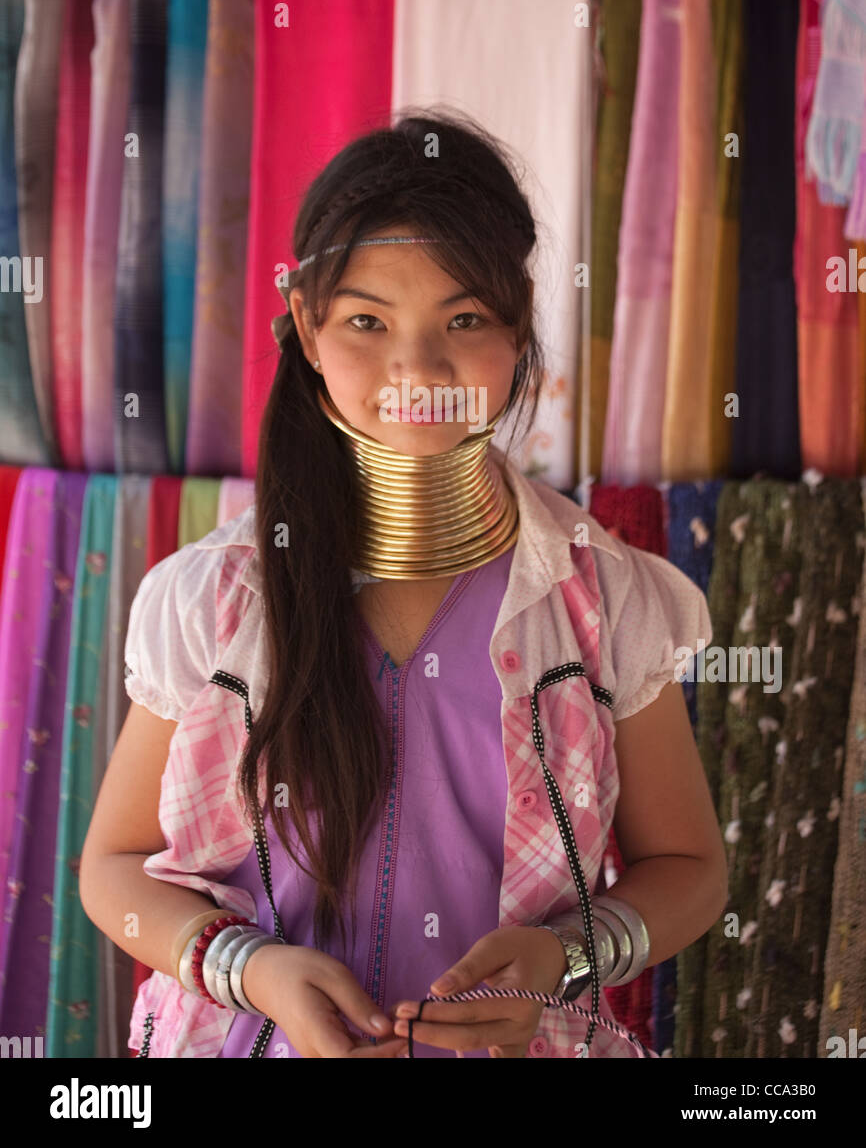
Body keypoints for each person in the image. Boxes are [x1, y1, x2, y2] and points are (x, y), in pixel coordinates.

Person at [80, 110, 728, 1059]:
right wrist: (248, 967)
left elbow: (691, 868)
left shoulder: (608, 601)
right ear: (304, 324)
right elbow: (112, 867)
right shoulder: (212, 600)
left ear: (518, 331)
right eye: (367, 321)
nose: (417, 369)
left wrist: (563, 959)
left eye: (464, 320)